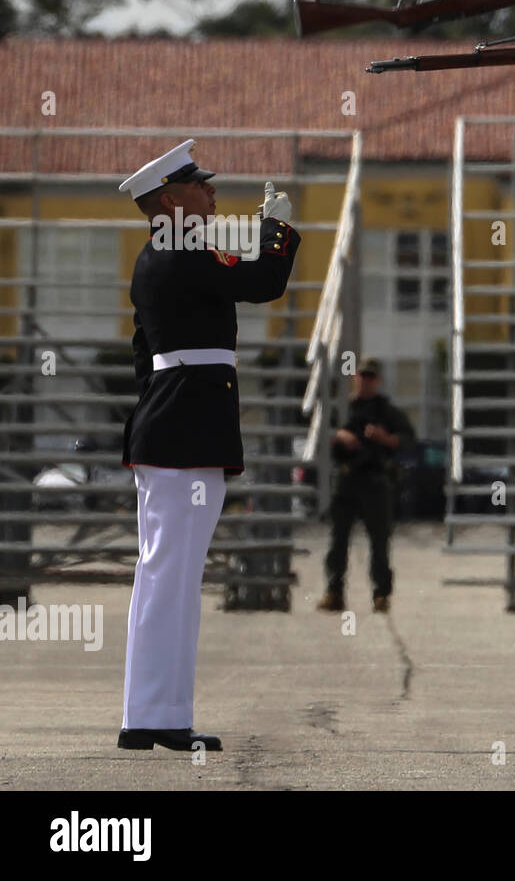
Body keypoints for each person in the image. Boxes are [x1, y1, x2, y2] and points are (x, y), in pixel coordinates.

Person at [117, 139, 299, 752]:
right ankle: (155, 715)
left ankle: (155, 712)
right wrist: (277, 229)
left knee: (166, 574)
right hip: (184, 430)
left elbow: (144, 355)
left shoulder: (159, 255)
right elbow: (263, 282)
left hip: (171, 423)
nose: (212, 193)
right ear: (170, 201)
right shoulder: (182, 247)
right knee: (172, 575)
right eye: (200, 186)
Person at [317, 357, 414, 614]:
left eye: (371, 377)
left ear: (377, 380)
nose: (366, 381)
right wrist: (339, 435)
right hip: (347, 479)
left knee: (379, 542)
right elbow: (319, 431)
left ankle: (381, 594)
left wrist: (385, 438)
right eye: (362, 376)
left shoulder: (387, 411)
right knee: (338, 538)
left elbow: (407, 439)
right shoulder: (343, 408)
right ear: (354, 378)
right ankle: (334, 591)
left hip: (375, 480)